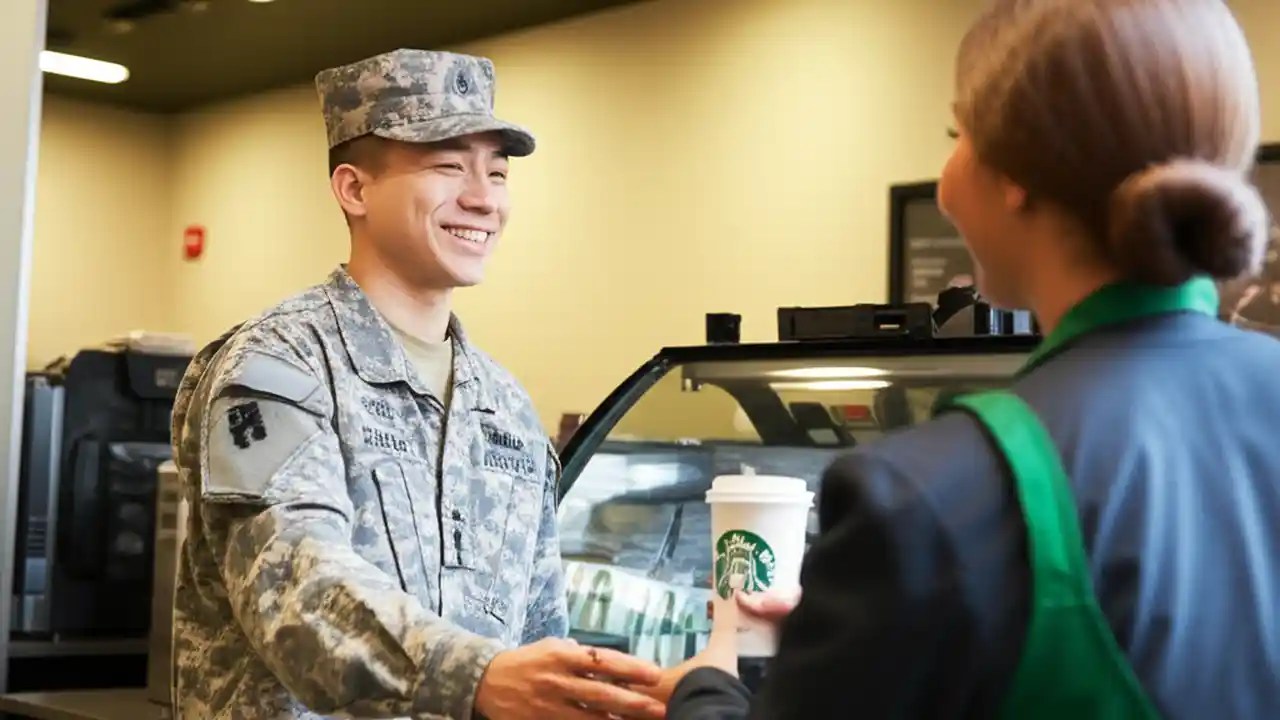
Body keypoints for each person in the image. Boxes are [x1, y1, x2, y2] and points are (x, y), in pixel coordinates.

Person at [656, 1, 1280, 718]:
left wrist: (706, 688)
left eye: (959, 134)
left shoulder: (927, 496)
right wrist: (861, 634)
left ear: (1014, 174)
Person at [169, 48, 666, 720]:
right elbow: (294, 589)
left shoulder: (505, 407)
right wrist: (478, 677)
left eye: (496, 172)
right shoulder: (277, 368)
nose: (484, 197)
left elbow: (540, 631)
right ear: (354, 189)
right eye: (448, 166)